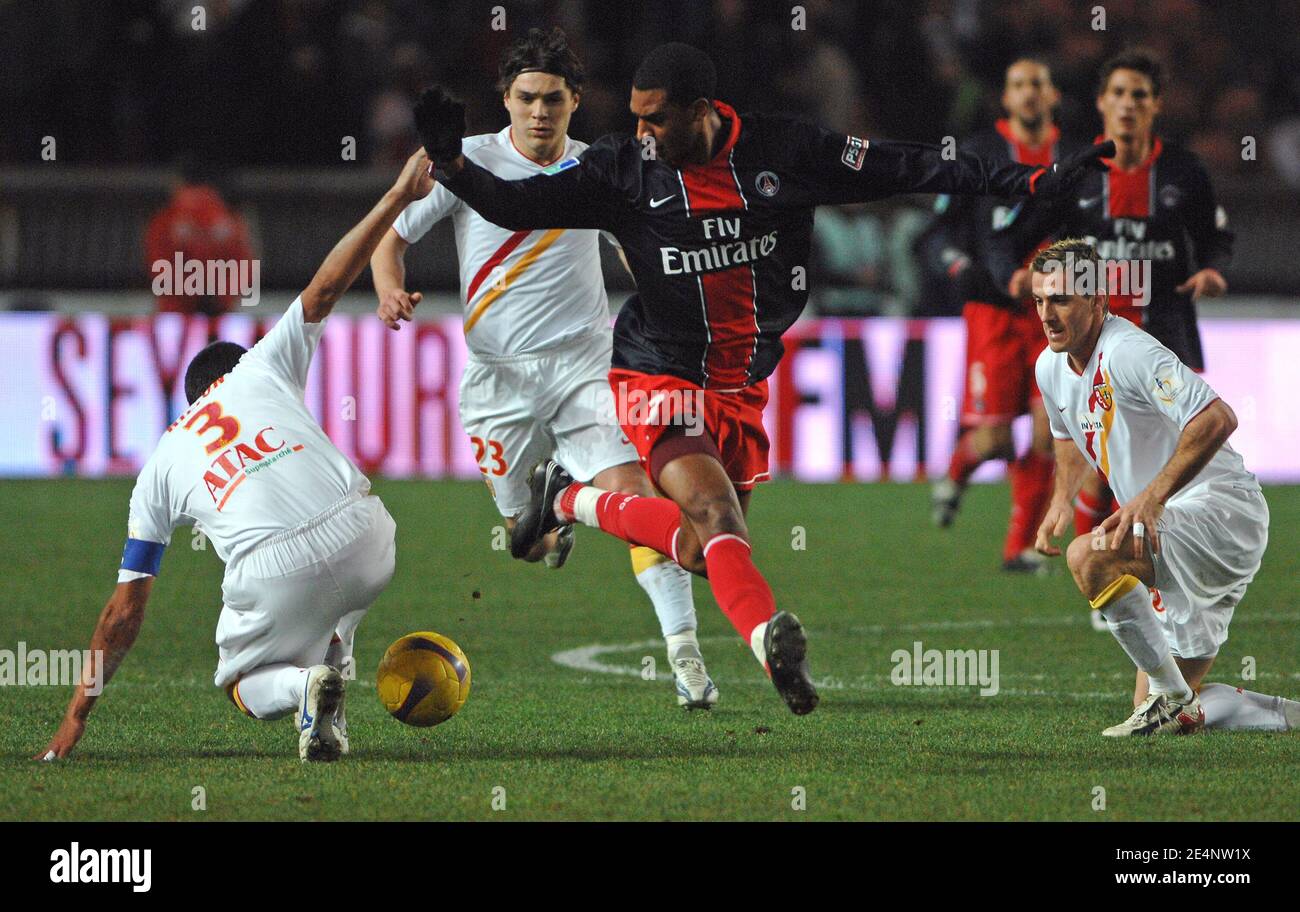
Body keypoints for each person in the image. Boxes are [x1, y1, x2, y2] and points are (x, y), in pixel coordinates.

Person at [411, 43, 1112, 715]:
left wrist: (1024, 180)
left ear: (702, 109)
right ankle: (768, 640)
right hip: (656, 373)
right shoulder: (622, 169)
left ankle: (567, 500)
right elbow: (518, 206)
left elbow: (906, 166)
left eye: (656, 117)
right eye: (636, 117)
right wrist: (452, 164)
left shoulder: (784, 153)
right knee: (715, 514)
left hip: (741, 382)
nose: (642, 131)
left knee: (697, 547)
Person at [35, 149, 435, 762]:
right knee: (335, 605)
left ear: (191, 399)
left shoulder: (162, 463)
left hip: (275, 570)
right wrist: (397, 197)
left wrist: (75, 716)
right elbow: (327, 285)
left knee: (242, 684)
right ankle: (326, 710)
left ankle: (305, 689)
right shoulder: (264, 367)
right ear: (234, 370)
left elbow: (124, 611)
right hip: (371, 536)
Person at [371, 29, 715, 710]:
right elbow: (391, 238)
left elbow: (637, 250)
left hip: (586, 365)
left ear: (575, 102)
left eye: (552, 99)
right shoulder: (465, 160)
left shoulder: (601, 168)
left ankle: (688, 660)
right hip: (498, 379)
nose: (538, 112)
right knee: (526, 545)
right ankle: (559, 503)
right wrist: (388, 287)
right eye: (526, 97)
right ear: (506, 99)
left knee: (641, 504)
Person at [1031, 239, 1296, 736]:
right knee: (1174, 715)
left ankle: (1170, 695)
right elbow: (1066, 434)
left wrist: (1151, 498)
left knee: (1089, 557)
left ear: (1097, 300)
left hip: (1218, 514)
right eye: (1040, 300)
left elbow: (1218, 417)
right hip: (1179, 524)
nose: (1047, 314)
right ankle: (1278, 713)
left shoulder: (1129, 351)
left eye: (1061, 299)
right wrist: (1061, 500)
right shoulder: (1050, 365)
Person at [991, 48, 1232, 547]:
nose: (1128, 105)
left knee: (1171, 463)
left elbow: (1215, 234)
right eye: (1118, 94)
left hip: (1166, 331)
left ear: (1156, 105)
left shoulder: (1184, 172)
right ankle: (1105, 577)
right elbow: (1016, 231)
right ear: (1101, 102)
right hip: (1097, 340)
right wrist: (1013, 274)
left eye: (1139, 96)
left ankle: (1156, 573)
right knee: (1105, 468)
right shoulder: (1076, 173)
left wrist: (1211, 267)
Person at [928, 58, 1083, 575]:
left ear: (1052, 94)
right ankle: (956, 471)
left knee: (1047, 430)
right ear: (1007, 98)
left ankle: (1018, 547)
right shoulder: (978, 153)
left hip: (1056, 314)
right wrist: (960, 266)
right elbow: (946, 226)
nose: (1029, 94)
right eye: (1019, 85)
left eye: (1038, 84)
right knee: (995, 438)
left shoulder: (1075, 157)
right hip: (994, 309)